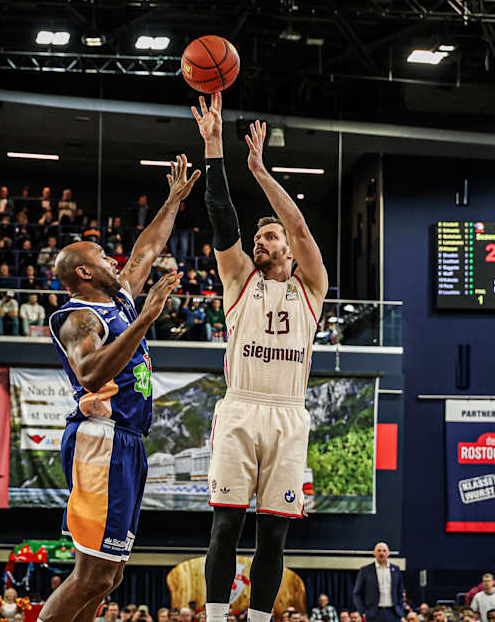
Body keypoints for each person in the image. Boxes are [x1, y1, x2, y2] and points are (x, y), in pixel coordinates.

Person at [36, 155, 198, 622]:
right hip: (100, 441)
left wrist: (172, 200)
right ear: (83, 273)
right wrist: (147, 318)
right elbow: (88, 373)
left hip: (127, 441)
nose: (114, 259)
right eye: (102, 257)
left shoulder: (119, 298)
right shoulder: (78, 317)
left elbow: (147, 248)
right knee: (91, 576)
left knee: (110, 577)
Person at [192, 94, 329, 622]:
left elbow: (299, 227)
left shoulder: (312, 287)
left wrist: (260, 170)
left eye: (269, 236)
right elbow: (221, 215)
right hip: (241, 408)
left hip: (289, 412)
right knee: (225, 524)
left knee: (274, 530)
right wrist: (213, 148)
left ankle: (257, 619)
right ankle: (216, 615)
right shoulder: (238, 281)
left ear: (289, 251)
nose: (262, 241)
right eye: (259, 236)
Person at [351, 543, 405, 622]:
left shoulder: (396, 569)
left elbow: (400, 592)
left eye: (384, 550)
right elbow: (357, 593)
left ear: (388, 553)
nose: (381, 553)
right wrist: (362, 611)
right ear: (374, 553)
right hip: (373, 614)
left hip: (393, 613)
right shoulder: (365, 570)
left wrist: (400, 609)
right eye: (379, 550)